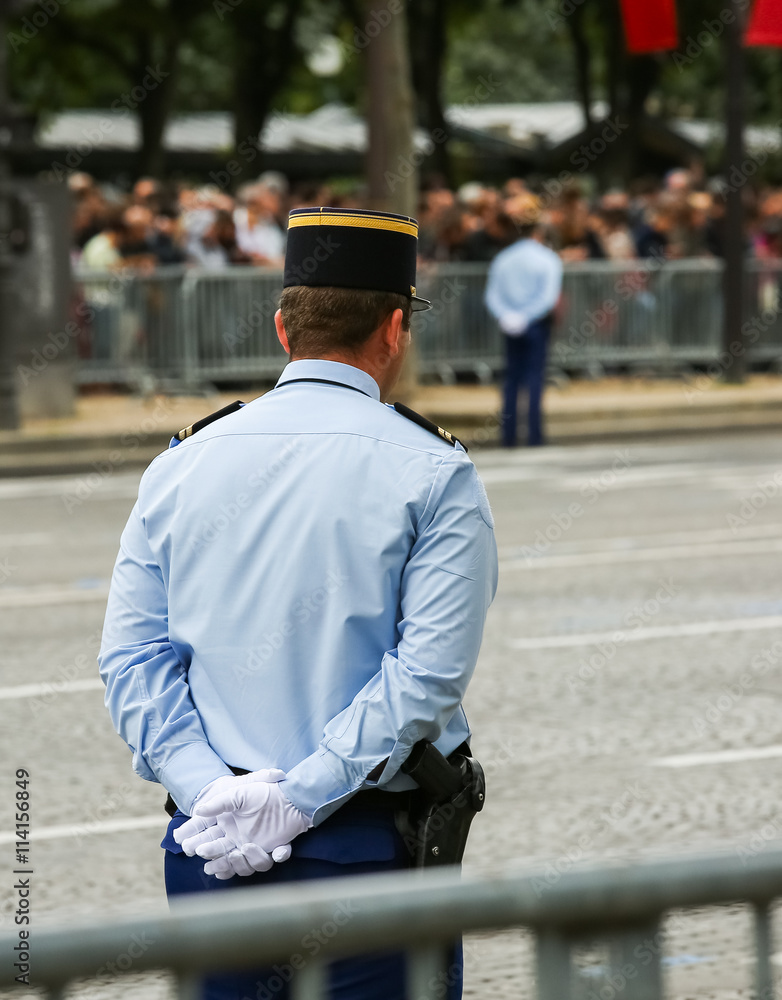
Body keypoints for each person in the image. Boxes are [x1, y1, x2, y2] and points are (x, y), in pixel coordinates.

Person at [98, 205, 498, 1000]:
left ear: (284, 329)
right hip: (365, 852)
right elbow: (424, 677)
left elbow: (132, 659)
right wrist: (299, 799)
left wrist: (208, 789)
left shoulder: (181, 462)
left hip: (212, 846)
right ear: (393, 330)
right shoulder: (435, 471)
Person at [484, 194, 563, 448]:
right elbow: (547, 298)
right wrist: (526, 316)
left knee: (512, 379)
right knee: (534, 379)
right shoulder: (548, 258)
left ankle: (508, 436)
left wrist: (507, 315)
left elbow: (492, 295)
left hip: (510, 323)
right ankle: (534, 436)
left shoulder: (503, 258)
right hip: (535, 324)